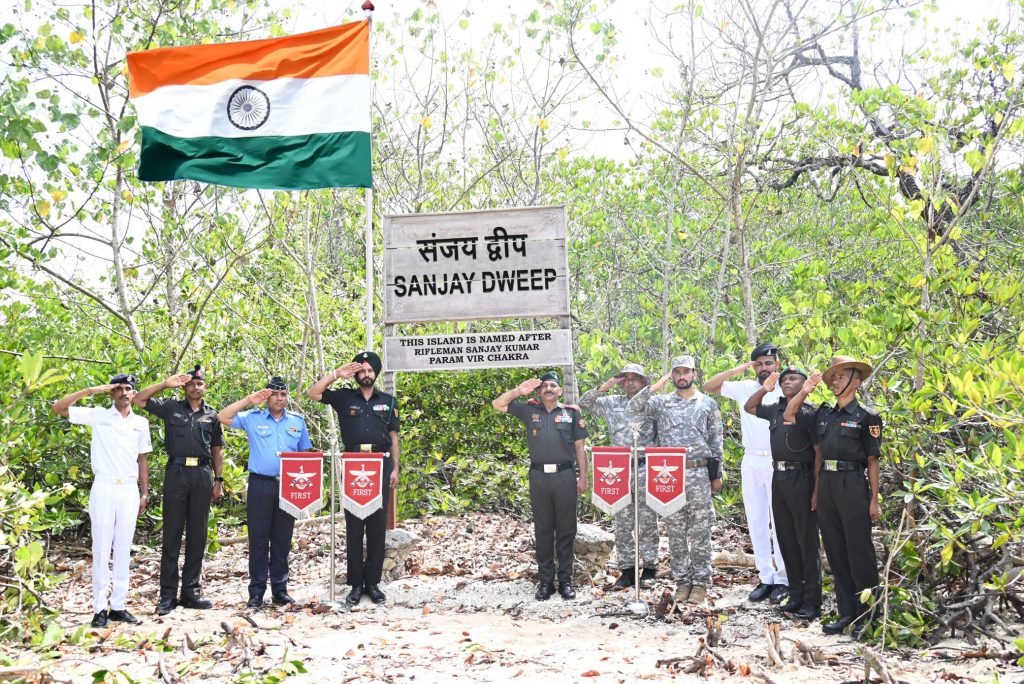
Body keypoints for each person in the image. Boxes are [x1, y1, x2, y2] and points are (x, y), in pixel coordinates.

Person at [785, 356, 882, 636]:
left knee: (859, 552)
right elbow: (790, 414)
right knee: (835, 551)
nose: (836, 381)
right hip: (827, 484)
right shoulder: (823, 414)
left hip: (852, 484)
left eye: (841, 376)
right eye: (833, 377)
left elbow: (873, 460)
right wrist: (805, 390)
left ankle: (868, 616)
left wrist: (874, 500)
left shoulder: (867, 417)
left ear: (856, 381)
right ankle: (846, 613)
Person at [53, 374, 151, 628]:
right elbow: (59, 408)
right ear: (111, 393)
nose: (124, 393)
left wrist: (144, 493)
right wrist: (88, 391)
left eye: (128, 389)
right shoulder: (98, 415)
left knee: (123, 548)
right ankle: (99, 608)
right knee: (101, 548)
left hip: (128, 489)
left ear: (133, 393)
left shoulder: (141, 422)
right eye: (119, 389)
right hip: (104, 487)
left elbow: (142, 459)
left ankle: (118, 605)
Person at [627, 356, 723, 606]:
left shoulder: (707, 403)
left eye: (686, 372)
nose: (682, 376)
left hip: (699, 473)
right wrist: (657, 386)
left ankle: (700, 583)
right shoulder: (661, 403)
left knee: (700, 530)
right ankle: (682, 582)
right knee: (676, 531)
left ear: (694, 374)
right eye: (677, 372)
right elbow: (633, 408)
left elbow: (716, 441)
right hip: (669, 474)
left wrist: (717, 475)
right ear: (672, 375)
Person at [307, 351, 399, 607]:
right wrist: (336, 374)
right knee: (355, 524)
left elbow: (393, 437)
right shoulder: (344, 397)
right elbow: (313, 393)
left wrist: (395, 468)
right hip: (353, 462)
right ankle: (356, 584)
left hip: (380, 463)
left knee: (377, 525)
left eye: (370, 370)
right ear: (357, 374)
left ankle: (373, 584)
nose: (366, 374)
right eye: (362, 371)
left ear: (375, 374)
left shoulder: (388, 401)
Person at [134, 365, 224, 615]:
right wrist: (165, 383)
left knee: (198, 534)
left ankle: (191, 592)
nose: (195, 387)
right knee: (172, 534)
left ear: (205, 386)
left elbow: (217, 450)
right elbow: (139, 398)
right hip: (176, 473)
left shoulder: (212, 415)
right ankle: (167, 595)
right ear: (184, 387)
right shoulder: (171, 407)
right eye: (191, 384)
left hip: (202, 475)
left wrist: (219, 480)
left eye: (199, 384)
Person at [703, 343, 788, 603]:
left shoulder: (787, 387)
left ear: (777, 365)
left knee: (781, 521)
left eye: (768, 363)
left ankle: (784, 579)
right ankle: (766, 577)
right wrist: (739, 369)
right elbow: (709, 386)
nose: (764, 368)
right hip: (751, 460)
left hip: (778, 460)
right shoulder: (745, 388)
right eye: (759, 364)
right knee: (756, 520)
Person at [492, 371, 588, 601]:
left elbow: (580, 448)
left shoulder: (571, 413)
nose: (548, 389)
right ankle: (546, 582)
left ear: (560, 391)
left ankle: (565, 581)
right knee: (543, 530)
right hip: (539, 477)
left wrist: (583, 477)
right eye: (544, 386)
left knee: (566, 530)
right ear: (538, 391)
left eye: (553, 385)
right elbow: (498, 404)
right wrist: (518, 391)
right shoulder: (529, 410)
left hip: (565, 476)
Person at [218, 376, 312, 609]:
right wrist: (248, 400)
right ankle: (257, 592)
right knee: (259, 539)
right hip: (260, 484)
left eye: (283, 394)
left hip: (289, 485)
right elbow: (223, 416)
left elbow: (305, 454)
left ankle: (280, 589)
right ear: (267, 396)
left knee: (282, 538)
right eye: (274, 394)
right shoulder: (253, 418)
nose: (279, 398)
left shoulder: (297, 421)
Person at [744, 367, 822, 620]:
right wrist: (764, 389)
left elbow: (818, 453)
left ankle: (812, 601)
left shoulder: (810, 412)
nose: (787, 381)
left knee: (806, 542)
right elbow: (749, 406)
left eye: (793, 378)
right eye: (785, 378)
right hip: (778, 477)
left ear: (805, 383)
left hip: (802, 478)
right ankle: (796, 594)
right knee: (786, 538)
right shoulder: (775, 408)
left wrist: (816, 490)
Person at [579, 363, 658, 589]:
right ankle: (627, 570)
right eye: (626, 378)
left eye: (635, 378)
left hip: (645, 466)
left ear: (644, 381)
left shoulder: (653, 404)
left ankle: (650, 569)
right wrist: (610, 382)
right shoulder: (612, 403)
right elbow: (585, 403)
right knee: (622, 523)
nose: (630, 382)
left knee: (647, 521)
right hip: (619, 469)